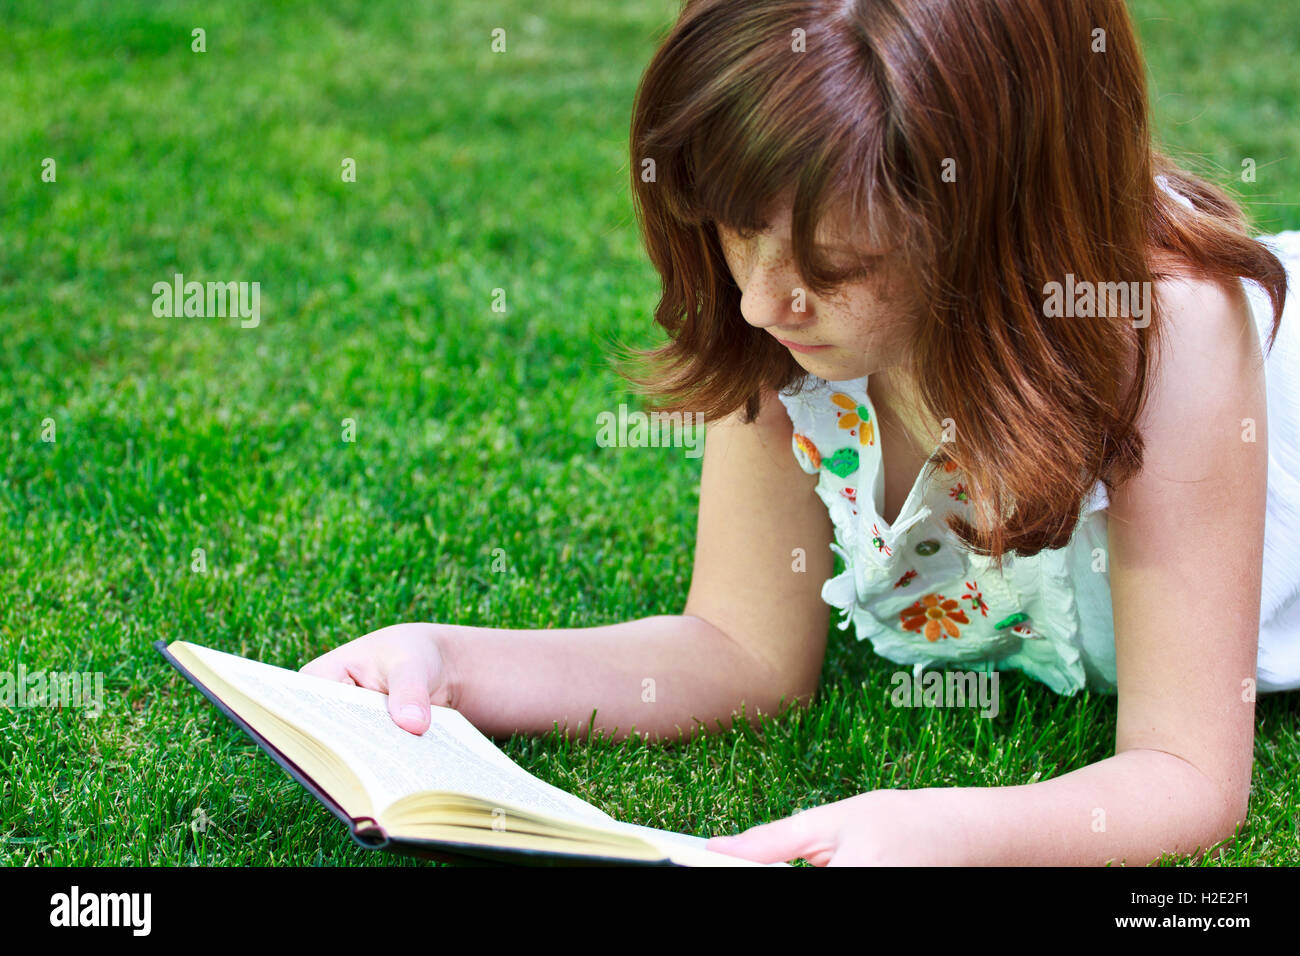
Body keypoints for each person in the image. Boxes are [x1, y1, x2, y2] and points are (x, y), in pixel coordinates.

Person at [303, 0, 1297, 865]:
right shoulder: (790, 323)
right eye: (735, 225)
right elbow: (739, 646)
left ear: (997, 232)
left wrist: (947, 832)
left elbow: (1186, 771)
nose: (756, 300)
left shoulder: (1174, 335)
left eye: (838, 265)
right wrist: (449, 661)